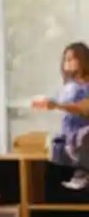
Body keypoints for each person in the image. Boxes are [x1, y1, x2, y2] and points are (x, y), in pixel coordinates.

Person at [33, 42, 89, 190]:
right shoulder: (68, 86)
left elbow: (84, 107)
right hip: (69, 135)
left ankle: (82, 173)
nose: (67, 62)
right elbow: (59, 102)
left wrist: (56, 105)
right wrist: (47, 103)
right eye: (65, 59)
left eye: (72, 59)